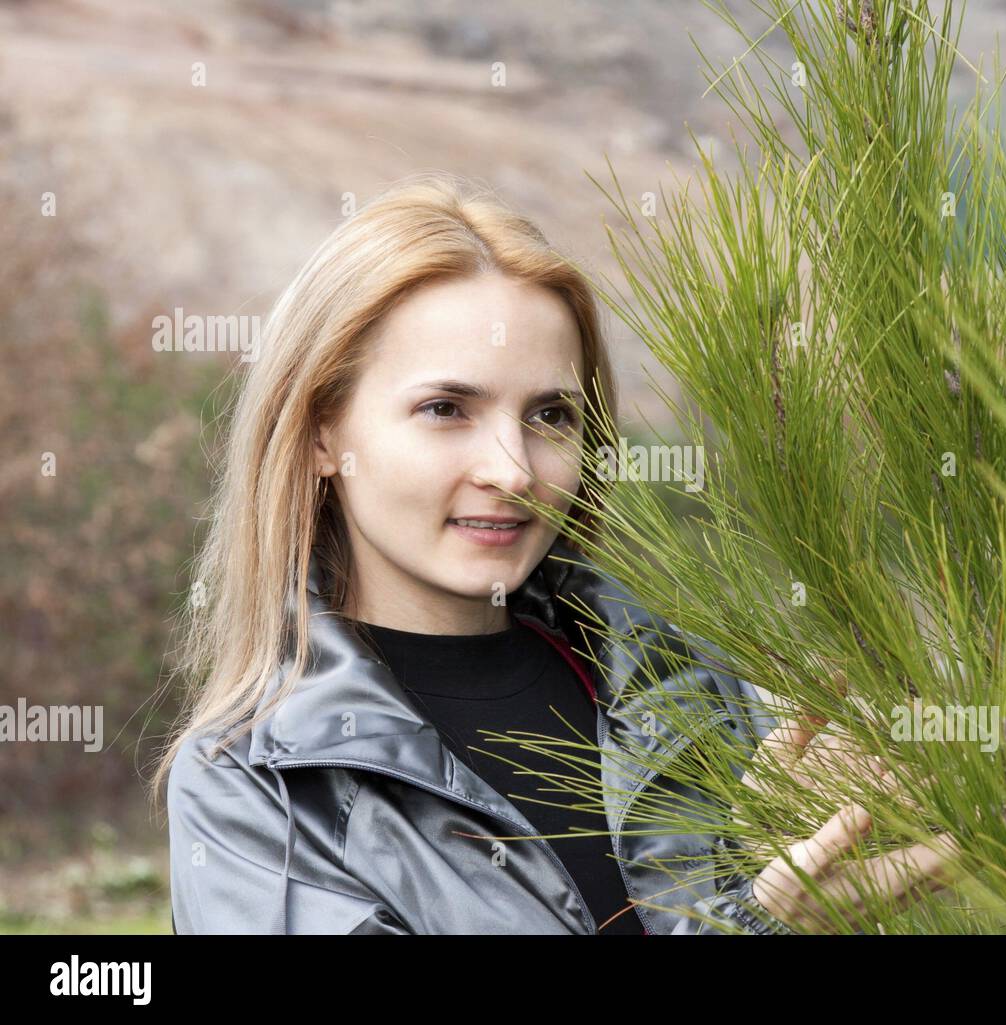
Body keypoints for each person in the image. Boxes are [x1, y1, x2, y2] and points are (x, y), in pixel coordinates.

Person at [151, 172, 956, 934]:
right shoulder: (260, 787)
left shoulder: (698, 692)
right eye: (445, 408)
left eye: (550, 416)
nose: (512, 469)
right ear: (323, 430)